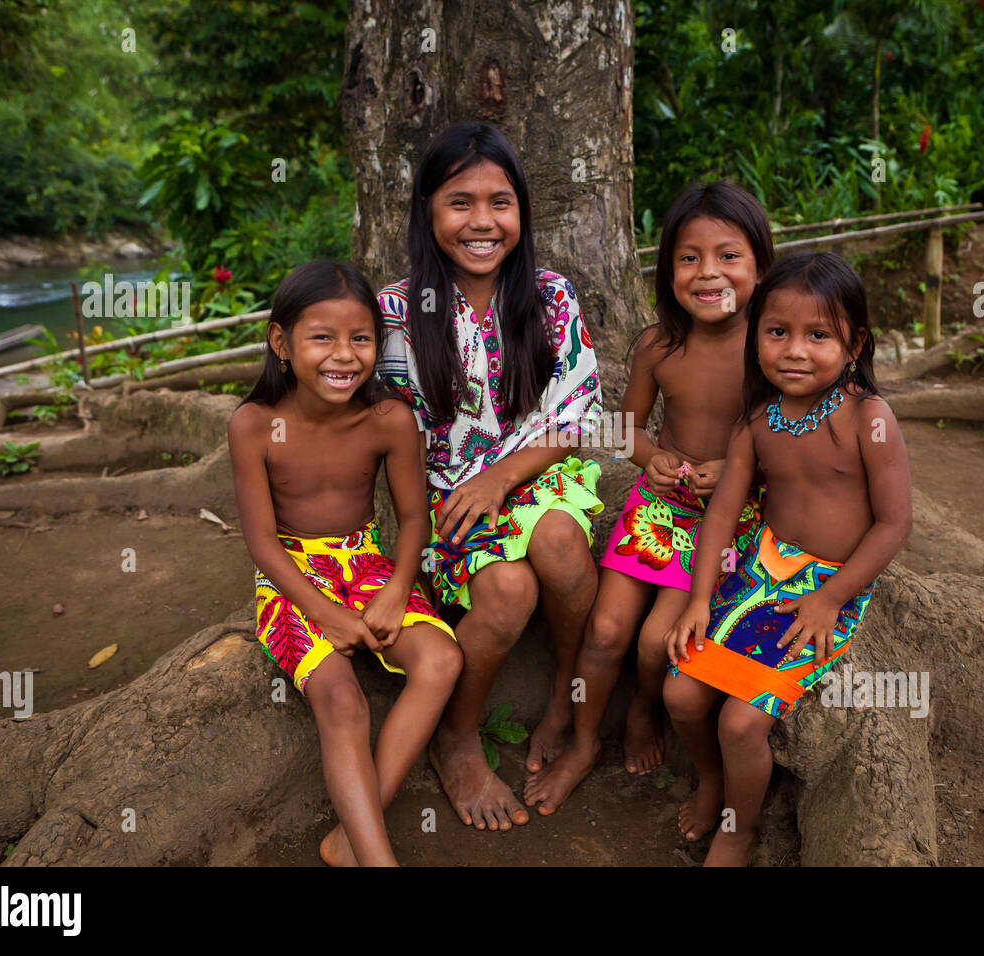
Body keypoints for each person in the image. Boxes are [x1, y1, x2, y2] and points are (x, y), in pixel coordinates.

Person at [376, 122, 605, 832]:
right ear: (427, 213)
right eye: (460, 202)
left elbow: (578, 417)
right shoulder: (394, 314)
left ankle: (568, 696)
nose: (482, 222)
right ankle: (455, 733)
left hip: (541, 471)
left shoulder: (551, 297)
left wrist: (503, 475)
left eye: (500, 202)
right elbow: (393, 441)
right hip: (445, 497)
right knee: (506, 591)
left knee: (562, 542)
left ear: (522, 213)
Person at [524, 182, 774, 815]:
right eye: (689, 257)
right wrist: (650, 458)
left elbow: (791, 446)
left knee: (654, 640)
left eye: (728, 256)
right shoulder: (657, 346)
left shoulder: (771, 350)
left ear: (761, 267)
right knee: (605, 631)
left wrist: (741, 471)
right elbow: (624, 428)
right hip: (657, 509)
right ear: (667, 271)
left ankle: (641, 710)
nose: (708, 272)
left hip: (731, 518)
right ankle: (584, 741)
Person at [663, 250, 913, 866]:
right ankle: (715, 782)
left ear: (854, 345)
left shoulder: (869, 418)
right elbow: (722, 513)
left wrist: (830, 598)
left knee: (742, 723)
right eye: (778, 332)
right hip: (757, 571)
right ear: (757, 340)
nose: (795, 350)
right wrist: (697, 599)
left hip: (828, 585)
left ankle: (738, 828)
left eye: (818, 335)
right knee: (681, 696)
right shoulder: (758, 420)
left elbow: (894, 522)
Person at [228, 260, 462, 867]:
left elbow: (414, 520)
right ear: (281, 342)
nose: (344, 355)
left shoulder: (387, 419)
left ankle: (349, 837)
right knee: (342, 703)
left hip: (367, 566)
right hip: (292, 578)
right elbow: (262, 545)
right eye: (322, 338)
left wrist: (395, 591)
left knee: (441, 659)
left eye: (360, 338)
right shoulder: (255, 426)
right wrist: (322, 611)